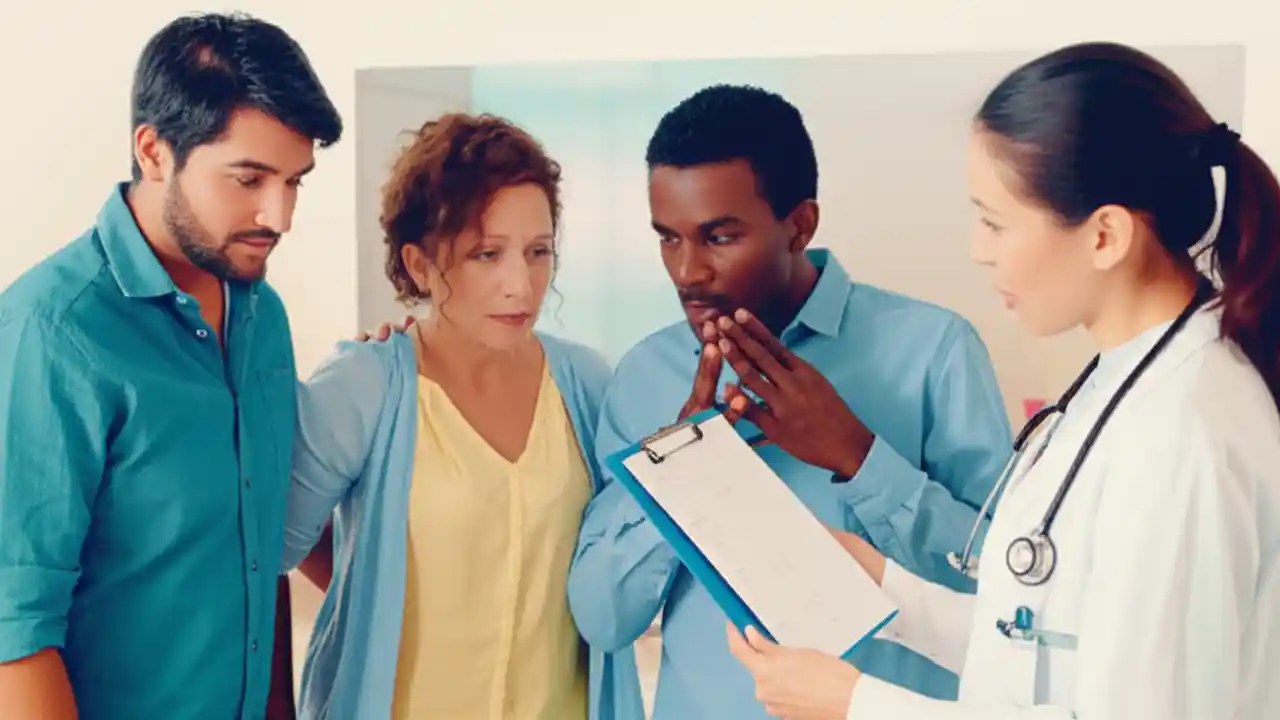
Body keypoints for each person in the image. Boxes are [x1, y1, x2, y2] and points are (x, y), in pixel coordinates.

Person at [727, 41, 1280, 719]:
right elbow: (1039, 647)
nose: (976, 249)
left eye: (993, 221)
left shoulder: (1183, 435)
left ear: (1104, 235)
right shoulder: (1129, 382)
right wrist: (885, 591)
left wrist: (858, 705)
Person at [565, 84, 1014, 719]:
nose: (688, 271)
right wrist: (684, 473)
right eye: (668, 238)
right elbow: (601, 618)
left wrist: (860, 459)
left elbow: (1006, 603)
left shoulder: (934, 350)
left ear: (800, 224)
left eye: (719, 237)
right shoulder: (646, 373)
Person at [0, 12, 341, 720]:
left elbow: (259, 548)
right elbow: (14, 631)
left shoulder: (260, 315)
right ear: (154, 151)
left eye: (294, 182)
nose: (278, 216)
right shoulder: (53, 332)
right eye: (249, 179)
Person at [275, 112, 645, 720]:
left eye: (537, 251)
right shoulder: (365, 384)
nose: (520, 285)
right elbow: (274, 546)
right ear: (420, 265)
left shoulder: (587, 383)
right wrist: (363, 578)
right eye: (486, 254)